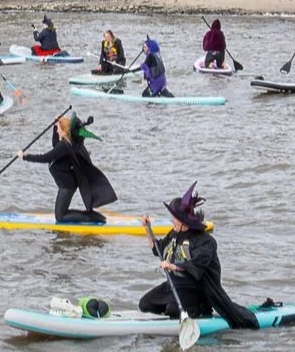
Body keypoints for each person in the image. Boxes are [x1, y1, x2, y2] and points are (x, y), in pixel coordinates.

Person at [141, 186, 261, 329]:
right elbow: (157, 249)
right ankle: (179, 312)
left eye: (174, 218)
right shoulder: (174, 234)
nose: (172, 220)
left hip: (199, 289)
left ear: (183, 222)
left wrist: (172, 266)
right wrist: (147, 229)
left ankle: (201, 308)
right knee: (144, 304)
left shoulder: (205, 241)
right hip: (176, 285)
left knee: (173, 309)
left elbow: (196, 266)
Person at [20, 112, 116, 224]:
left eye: (58, 129)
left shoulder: (65, 145)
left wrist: (24, 157)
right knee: (61, 213)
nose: (57, 131)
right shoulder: (66, 144)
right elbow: (55, 146)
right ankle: (90, 215)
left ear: (64, 131)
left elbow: (46, 157)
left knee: (60, 217)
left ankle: (90, 217)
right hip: (66, 184)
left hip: (66, 186)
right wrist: (55, 126)